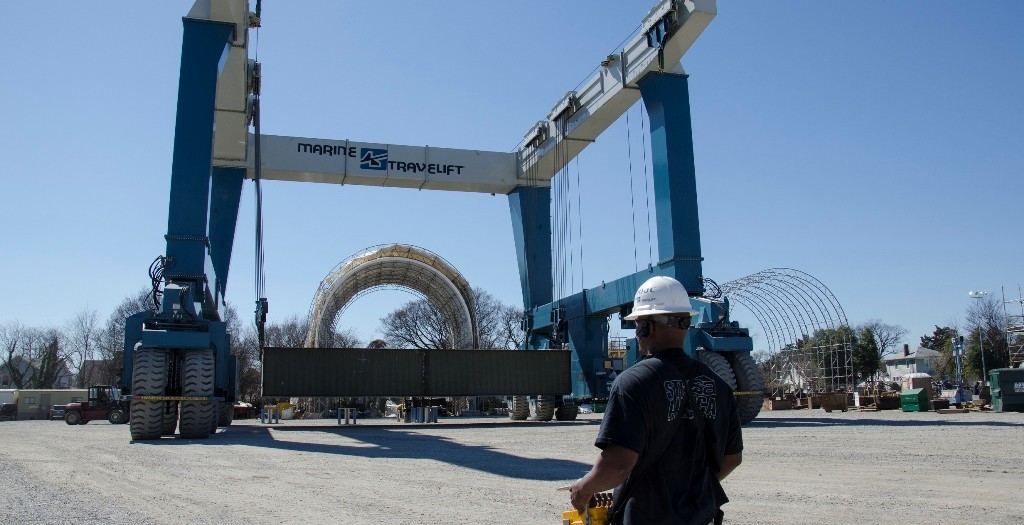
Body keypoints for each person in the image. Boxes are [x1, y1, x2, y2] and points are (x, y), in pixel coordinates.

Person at [569, 275, 743, 525]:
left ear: (646, 327)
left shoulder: (633, 383)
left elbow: (618, 465)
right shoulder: (720, 387)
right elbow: (732, 457)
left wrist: (584, 488)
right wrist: (692, 489)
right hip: (701, 518)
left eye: (638, 324)